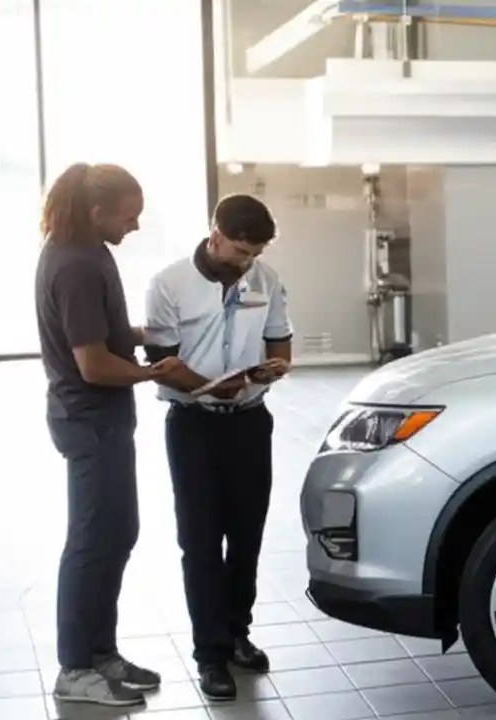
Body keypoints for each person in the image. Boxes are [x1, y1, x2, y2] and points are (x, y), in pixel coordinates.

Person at [35, 162, 184, 708]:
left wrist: (158, 333)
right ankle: (75, 666)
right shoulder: (75, 264)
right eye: (130, 215)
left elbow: (107, 334)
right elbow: (94, 364)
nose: (136, 226)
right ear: (97, 212)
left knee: (117, 533)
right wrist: (152, 372)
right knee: (93, 540)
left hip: (102, 420)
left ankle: (100, 653)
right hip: (89, 419)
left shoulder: (89, 251)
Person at [143, 194, 292, 701]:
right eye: (238, 251)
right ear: (215, 234)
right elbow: (162, 359)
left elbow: (280, 342)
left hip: (250, 423)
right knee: (202, 542)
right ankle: (210, 654)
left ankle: (238, 635)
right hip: (194, 426)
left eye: (254, 254)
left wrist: (274, 366)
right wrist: (208, 385)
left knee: (246, 535)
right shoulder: (169, 284)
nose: (245, 262)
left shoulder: (266, 280)